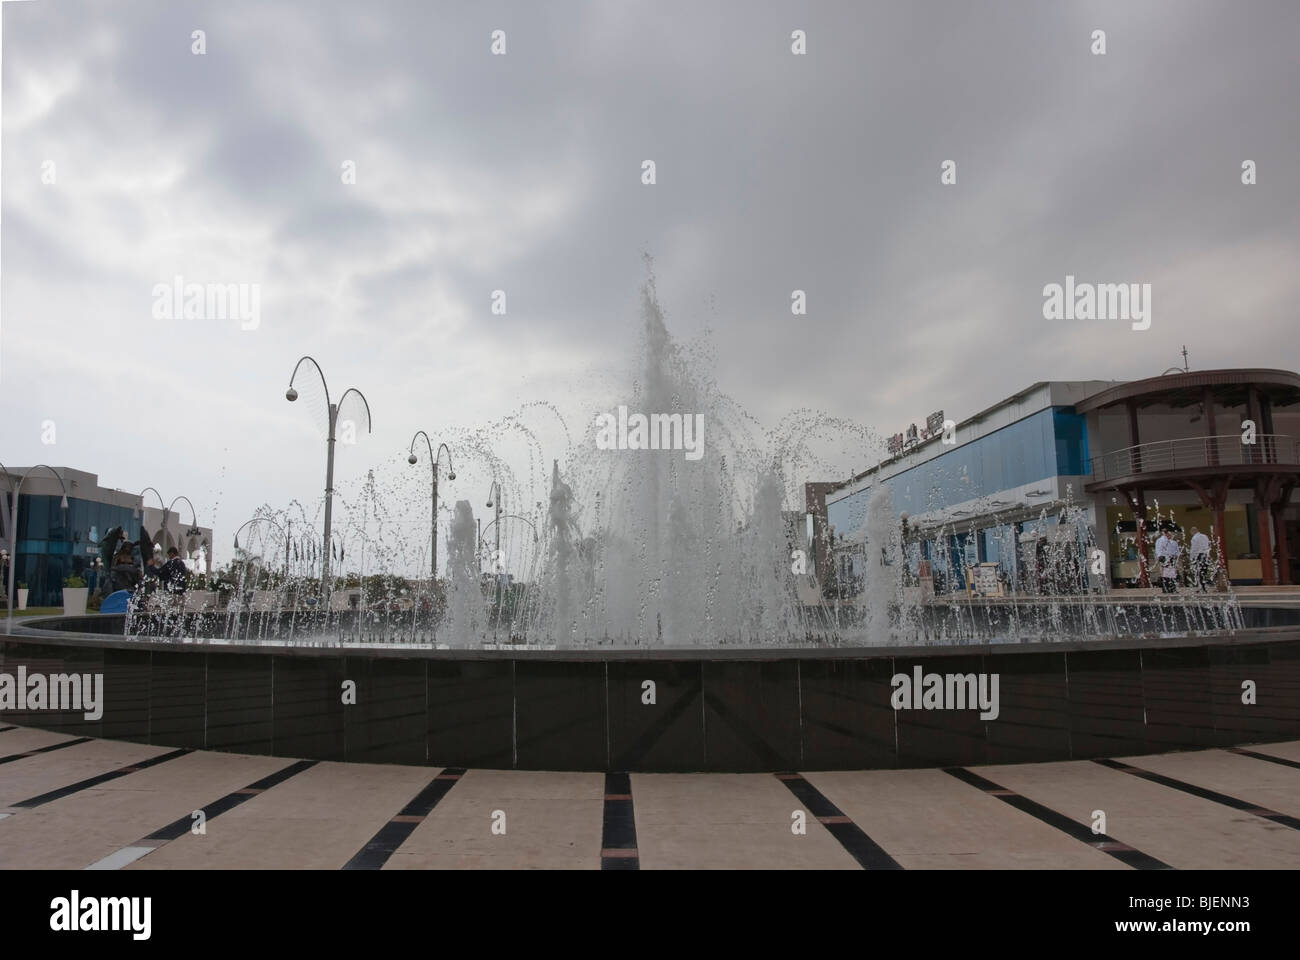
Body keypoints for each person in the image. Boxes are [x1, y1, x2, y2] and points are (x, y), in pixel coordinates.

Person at [1154, 527, 1181, 594]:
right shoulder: (1160, 540)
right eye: (1167, 534)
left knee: (1172, 574)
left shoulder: (1173, 542)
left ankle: (1173, 588)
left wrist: (1176, 555)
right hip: (1164, 558)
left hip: (1171, 558)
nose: (1169, 535)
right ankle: (1166, 588)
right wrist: (1162, 557)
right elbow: (1159, 550)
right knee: (1166, 574)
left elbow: (1177, 551)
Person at [1189, 526, 1212, 592]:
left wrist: (1191, 558)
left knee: (1198, 572)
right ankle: (1204, 587)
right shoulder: (1205, 536)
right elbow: (1209, 545)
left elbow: (1193, 549)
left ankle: (1201, 587)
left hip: (1199, 556)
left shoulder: (1194, 538)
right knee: (1204, 572)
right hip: (1205, 555)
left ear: (1192, 532)